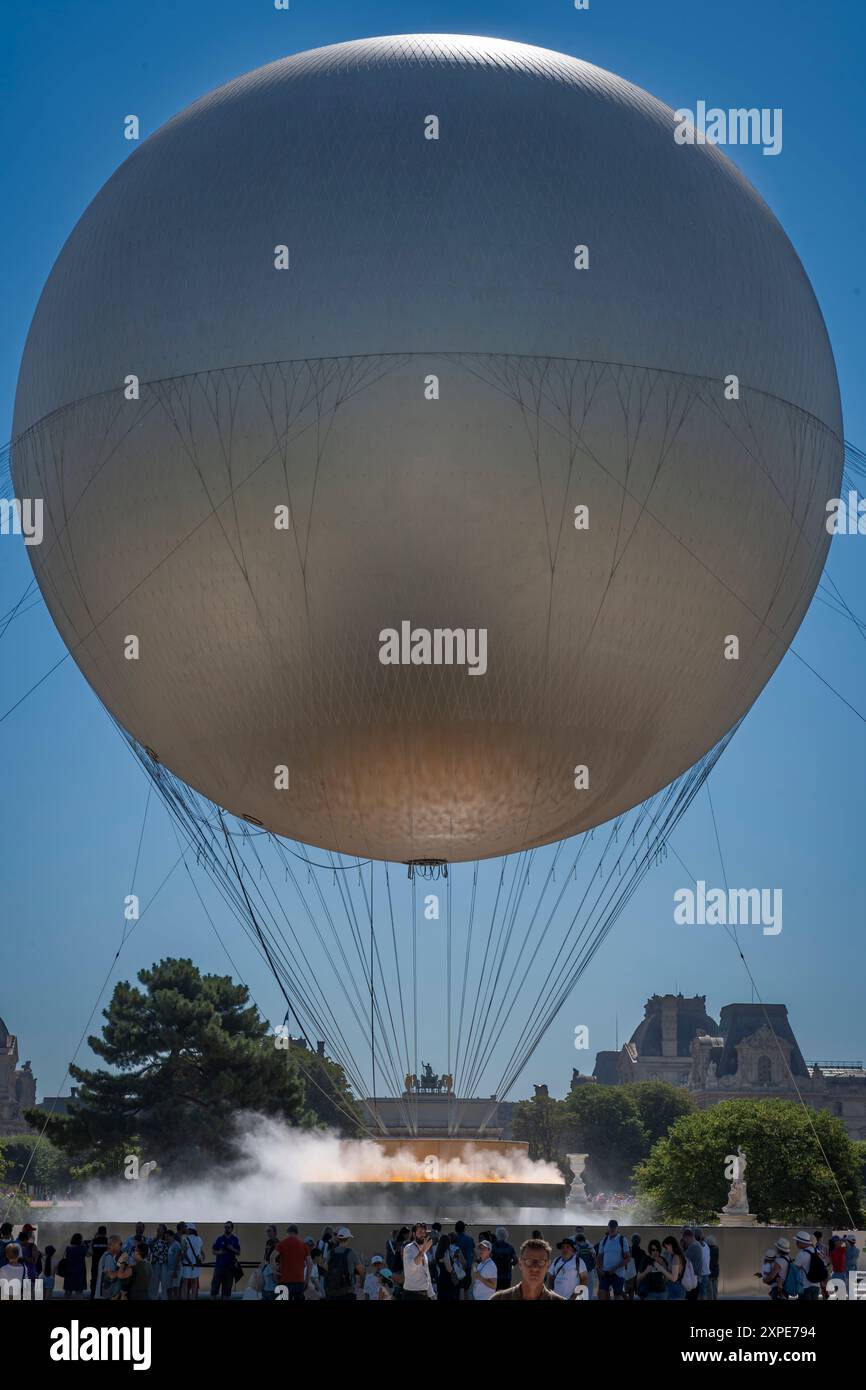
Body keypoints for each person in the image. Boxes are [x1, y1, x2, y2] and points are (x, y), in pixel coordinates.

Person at [489, 1237, 565, 1300]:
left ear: (548, 1266)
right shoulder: (499, 1298)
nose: (535, 1268)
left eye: (540, 1262)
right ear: (520, 1264)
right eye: (529, 1261)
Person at [317, 1226, 364, 1302]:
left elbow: (327, 1268)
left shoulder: (330, 1253)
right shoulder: (351, 1253)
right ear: (348, 1238)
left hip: (333, 1293)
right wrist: (360, 1284)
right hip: (347, 1292)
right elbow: (361, 1271)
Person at [275, 1224, 310, 1301]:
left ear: (288, 1232)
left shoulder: (281, 1244)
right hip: (299, 1281)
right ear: (297, 1233)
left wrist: (275, 1272)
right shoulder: (303, 1245)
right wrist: (307, 1280)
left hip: (284, 1281)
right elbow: (309, 1263)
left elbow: (271, 1258)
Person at [596, 1219, 629, 1300]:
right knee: (602, 1295)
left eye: (614, 1226)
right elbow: (599, 1256)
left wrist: (615, 1268)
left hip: (618, 1274)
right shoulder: (604, 1240)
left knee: (618, 1296)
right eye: (611, 1226)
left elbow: (627, 1258)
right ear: (608, 1227)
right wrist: (599, 1268)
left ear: (617, 1228)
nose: (612, 1228)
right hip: (605, 1273)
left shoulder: (622, 1240)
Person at [401, 1221, 433, 1300]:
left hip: (423, 1294)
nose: (422, 1234)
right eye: (420, 1232)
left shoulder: (423, 1251)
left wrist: (431, 1293)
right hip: (412, 1294)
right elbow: (412, 1266)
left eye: (424, 1232)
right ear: (414, 1234)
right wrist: (423, 1251)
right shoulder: (409, 1248)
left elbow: (426, 1273)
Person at [211, 1220, 240, 1300]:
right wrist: (219, 1252)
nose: (226, 1229)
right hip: (219, 1267)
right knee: (214, 1289)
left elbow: (238, 1252)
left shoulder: (235, 1239)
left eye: (228, 1227)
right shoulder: (219, 1238)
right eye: (225, 1227)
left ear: (232, 1229)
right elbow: (213, 1250)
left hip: (229, 1268)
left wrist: (232, 1248)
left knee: (227, 1291)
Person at [432, 1232, 462, 1301]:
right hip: (448, 1280)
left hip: (441, 1279)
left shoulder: (438, 1253)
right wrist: (454, 1271)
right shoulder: (445, 1253)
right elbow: (449, 1269)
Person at [794, 1231, 823, 1300]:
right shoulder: (817, 1252)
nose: (796, 1244)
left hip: (805, 1286)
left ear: (802, 1242)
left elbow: (795, 1269)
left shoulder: (801, 1254)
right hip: (816, 1286)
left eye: (797, 1241)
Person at [179, 1222, 204, 1300]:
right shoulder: (199, 1239)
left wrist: (188, 1262)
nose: (185, 1230)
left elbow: (184, 1253)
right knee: (194, 1282)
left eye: (186, 1228)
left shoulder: (185, 1239)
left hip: (187, 1265)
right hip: (196, 1264)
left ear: (190, 1229)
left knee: (185, 1283)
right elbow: (202, 1253)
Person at [95, 1234, 123, 1300]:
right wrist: (123, 1272)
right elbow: (109, 1275)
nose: (121, 1247)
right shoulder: (109, 1257)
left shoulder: (107, 1255)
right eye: (120, 1244)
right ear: (114, 1244)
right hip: (104, 1296)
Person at [61, 1232, 88, 1299]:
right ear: (80, 1240)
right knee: (79, 1293)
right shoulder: (82, 1249)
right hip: (79, 1274)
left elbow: (64, 1258)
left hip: (69, 1273)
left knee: (67, 1292)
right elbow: (89, 1254)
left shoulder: (68, 1249)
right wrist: (86, 1245)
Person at [490, 1226, 517, 1291]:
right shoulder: (510, 1247)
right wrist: (510, 1263)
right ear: (506, 1235)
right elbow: (515, 1260)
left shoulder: (493, 1247)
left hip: (496, 1276)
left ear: (497, 1235)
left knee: (496, 1294)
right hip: (507, 1276)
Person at [453, 1220, 475, 1298]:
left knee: (459, 1289)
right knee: (466, 1289)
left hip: (457, 1268)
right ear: (464, 1229)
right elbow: (473, 1253)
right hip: (468, 1267)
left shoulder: (454, 1240)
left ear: (455, 1229)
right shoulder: (470, 1239)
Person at [149, 1223, 171, 1299]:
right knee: (153, 1284)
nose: (158, 1230)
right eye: (158, 1228)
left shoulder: (168, 1241)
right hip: (155, 1264)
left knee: (164, 1284)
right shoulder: (153, 1241)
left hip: (164, 1264)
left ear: (164, 1230)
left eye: (160, 1228)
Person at [680, 1229, 703, 1300]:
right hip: (696, 1277)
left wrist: (681, 1247)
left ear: (687, 1237)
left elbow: (683, 1258)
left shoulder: (693, 1246)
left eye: (685, 1240)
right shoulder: (698, 1244)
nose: (685, 1243)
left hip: (693, 1278)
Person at [662, 1236, 686, 1300]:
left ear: (670, 1245)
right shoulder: (676, 1256)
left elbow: (674, 1278)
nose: (665, 1250)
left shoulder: (676, 1257)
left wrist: (661, 1269)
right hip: (675, 1288)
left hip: (676, 1288)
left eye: (666, 1247)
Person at [575, 1231, 597, 1300]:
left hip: (580, 1273)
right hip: (590, 1272)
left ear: (577, 1240)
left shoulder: (576, 1247)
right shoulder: (590, 1247)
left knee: (580, 1292)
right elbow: (594, 1257)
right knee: (589, 1292)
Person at [89, 1227, 109, 1299]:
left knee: (94, 1284)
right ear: (105, 1233)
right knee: (105, 1285)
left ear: (98, 1232)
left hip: (95, 1266)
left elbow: (89, 1253)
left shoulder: (93, 1241)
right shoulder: (108, 1241)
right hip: (105, 1267)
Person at [695, 1228, 711, 1299]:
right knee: (703, 1293)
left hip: (700, 1273)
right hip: (706, 1272)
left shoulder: (696, 1245)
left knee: (698, 1293)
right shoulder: (706, 1245)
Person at [706, 1234, 720, 1299]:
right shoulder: (717, 1248)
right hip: (716, 1272)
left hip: (709, 1272)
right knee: (715, 1289)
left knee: (709, 1291)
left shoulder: (707, 1249)